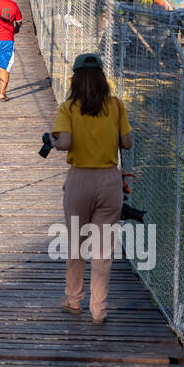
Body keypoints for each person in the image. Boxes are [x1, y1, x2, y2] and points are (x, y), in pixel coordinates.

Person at [50, 53, 132, 324]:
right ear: (101, 79)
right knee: (103, 250)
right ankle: (99, 310)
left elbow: (64, 144)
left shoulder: (68, 108)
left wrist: (54, 140)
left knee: (76, 245)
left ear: (75, 78)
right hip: (109, 182)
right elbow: (127, 142)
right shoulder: (116, 106)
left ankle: (74, 301)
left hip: (79, 181)